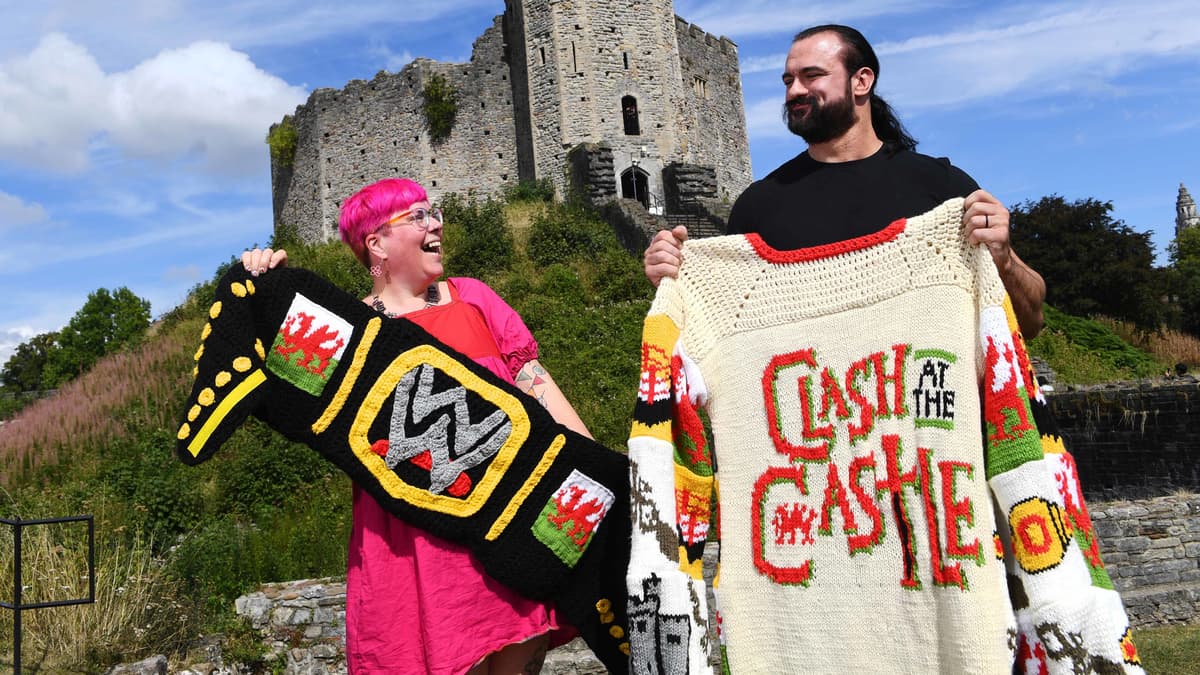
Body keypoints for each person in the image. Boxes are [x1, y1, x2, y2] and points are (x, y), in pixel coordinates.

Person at [242, 177, 588, 674]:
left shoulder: (473, 299)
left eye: (436, 212)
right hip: (409, 537)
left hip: (498, 520)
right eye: (418, 216)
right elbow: (278, 390)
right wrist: (266, 289)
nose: (436, 225)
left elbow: (539, 387)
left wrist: (601, 473)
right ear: (376, 243)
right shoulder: (349, 331)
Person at [643, 24, 1046, 339]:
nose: (794, 91)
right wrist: (677, 281)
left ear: (862, 81)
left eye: (811, 75)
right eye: (788, 81)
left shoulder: (940, 187)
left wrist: (1004, 260)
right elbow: (725, 336)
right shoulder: (758, 206)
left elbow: (1030, 322)